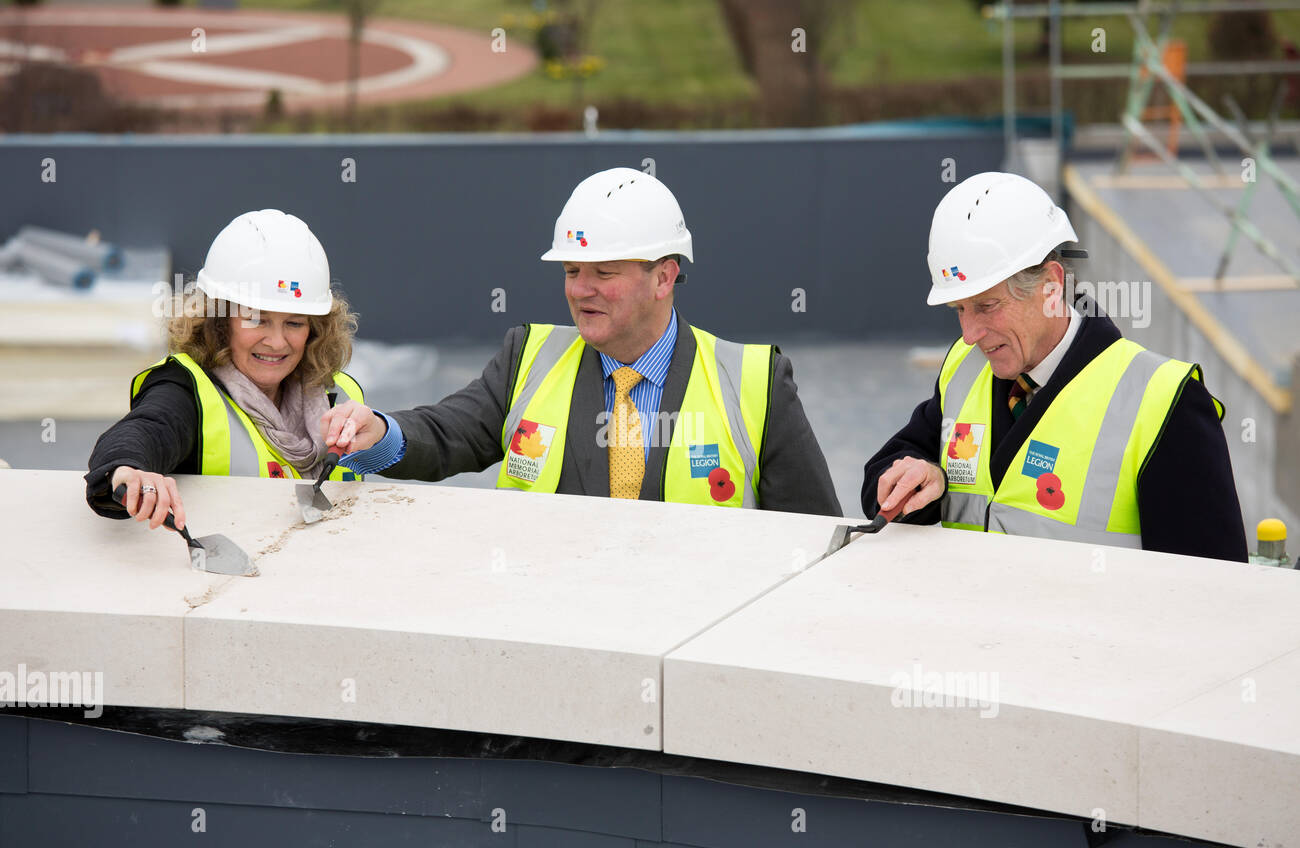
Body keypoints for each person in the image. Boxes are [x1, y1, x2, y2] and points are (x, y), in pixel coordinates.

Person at [325, 167, 841, 516]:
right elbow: (445, 435)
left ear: (664, 277)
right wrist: (380, 433)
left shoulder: (756, 383)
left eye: (604, 272)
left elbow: (817, 537)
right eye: (572, 270)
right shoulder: (528, 356)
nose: (581, 289)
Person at [861, 171, 1246, 562]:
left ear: (1050, 285)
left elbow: (1210, 592)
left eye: (986, 306)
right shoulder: (965, 368)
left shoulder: (1162, 402)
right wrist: (922, 481)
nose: (970, 333)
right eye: (959, 308)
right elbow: (890, 470)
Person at [85, 209, 364, 528]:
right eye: (256, 319)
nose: (276, 342)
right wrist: (128, 468)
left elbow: (419, 444)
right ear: (219, 321)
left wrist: (387, 435)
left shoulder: (342, 394)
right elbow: (148, 427)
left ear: (314, 328)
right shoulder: (185, 390)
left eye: (294, 322)